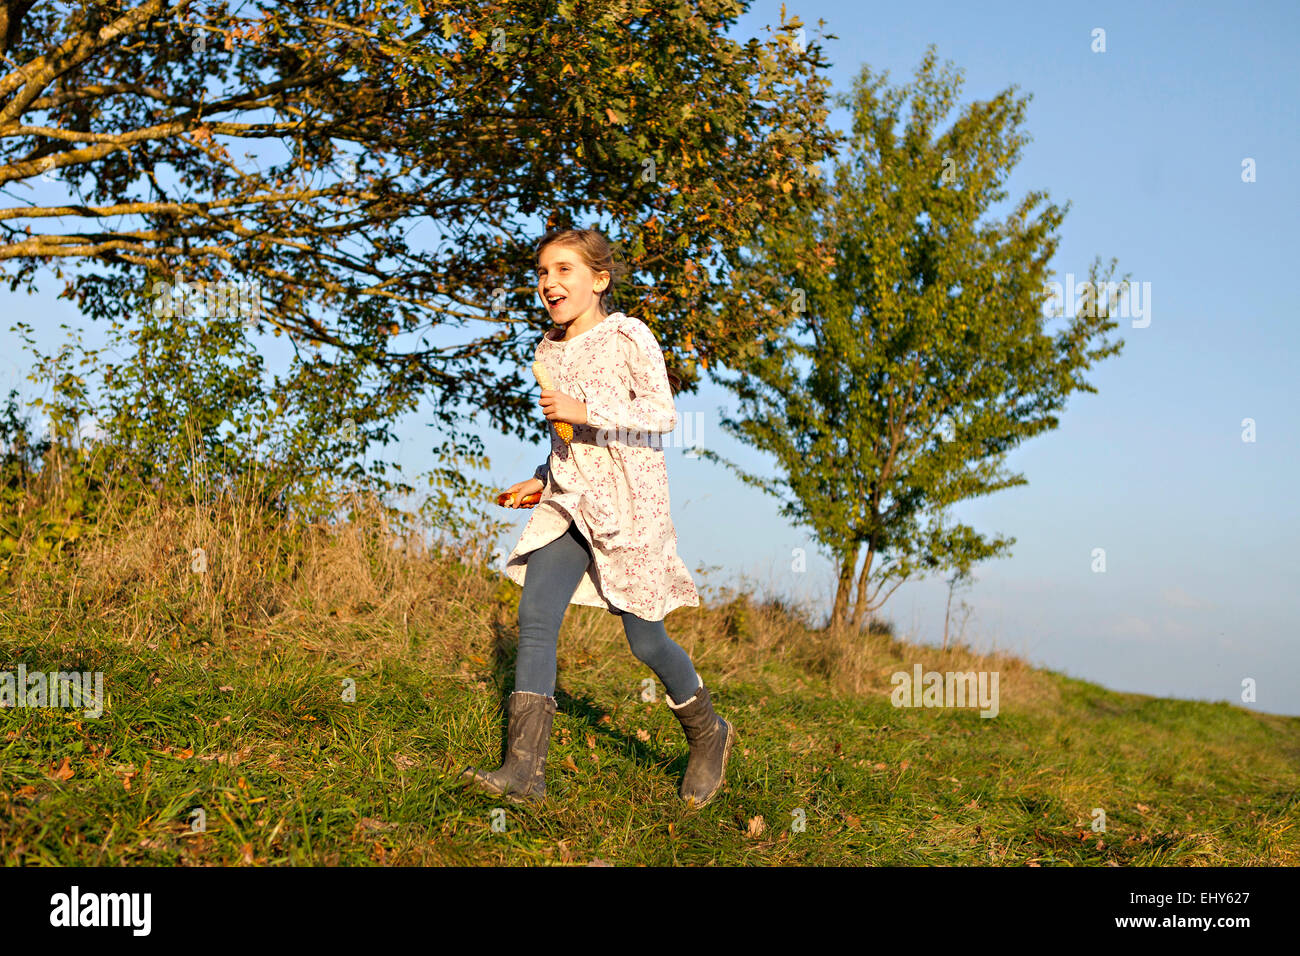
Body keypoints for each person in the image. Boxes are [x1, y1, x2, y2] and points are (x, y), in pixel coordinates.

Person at [461, 227, 736, 808]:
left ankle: (709, 734)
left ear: (599, 280)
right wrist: (541, 476)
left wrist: (584, 410)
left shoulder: (628, 336)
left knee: (646, 641)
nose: (549, 283)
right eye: (542, 272)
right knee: (535, 617)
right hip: (569, 501)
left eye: (564, 270)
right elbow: (568, 438)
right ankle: (524, 774)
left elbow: (662, 415)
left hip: (628, 507)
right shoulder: (547, 350)